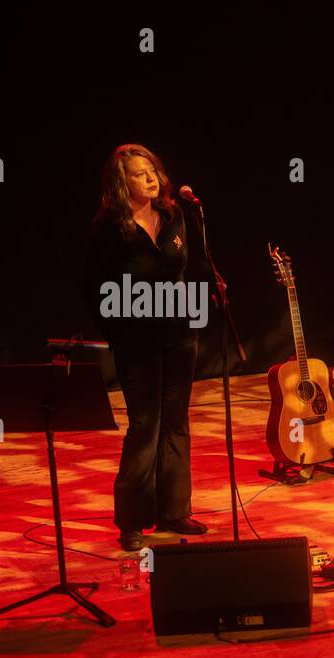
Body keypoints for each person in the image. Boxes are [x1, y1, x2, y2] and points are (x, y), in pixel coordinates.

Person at [83, 144, 209, 552]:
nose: (151, 178)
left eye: (153, 170)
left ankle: (175, 510)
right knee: (145, 427)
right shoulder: (110, 227)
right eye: (140, 173)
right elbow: (95, 288)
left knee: (176, 422)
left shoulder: (174, 215)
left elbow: (184, 268)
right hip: (137, 342)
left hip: (179, 335)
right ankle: (132, 521)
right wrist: (119, 333)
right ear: (124, 182)